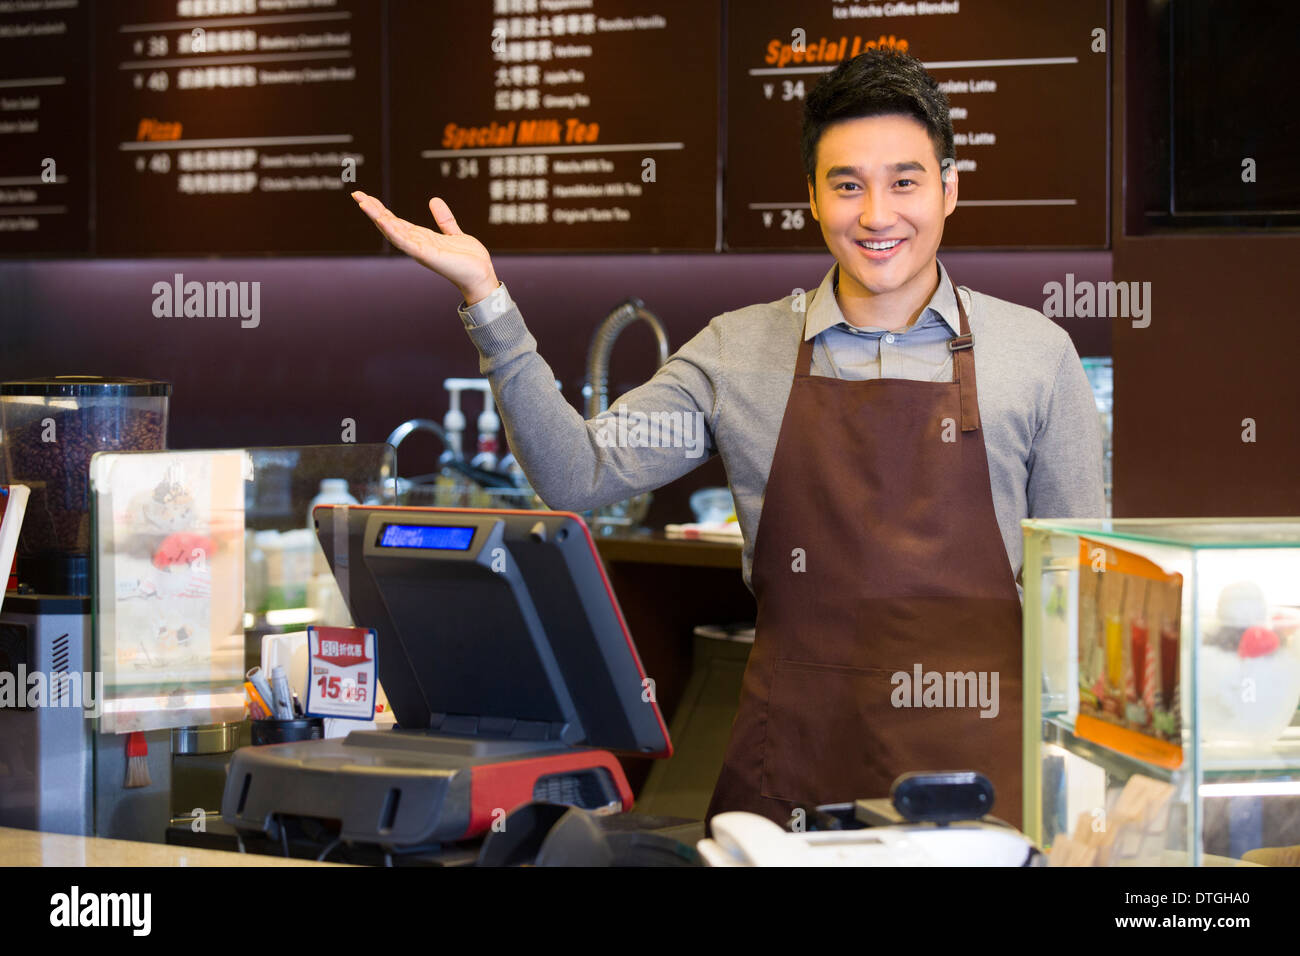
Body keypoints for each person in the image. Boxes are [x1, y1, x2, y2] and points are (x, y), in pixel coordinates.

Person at [352, 50, 1103, 831]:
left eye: (905, 181)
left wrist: (1086, 797)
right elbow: (578, 475)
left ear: (949, 188)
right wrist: (489, 303)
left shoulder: (1035, 355)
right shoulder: (738, 355)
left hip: (981, 791)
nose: (877, 214)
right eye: (847, 185)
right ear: (812, 198)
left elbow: (1079, 596)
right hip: (792, 785)